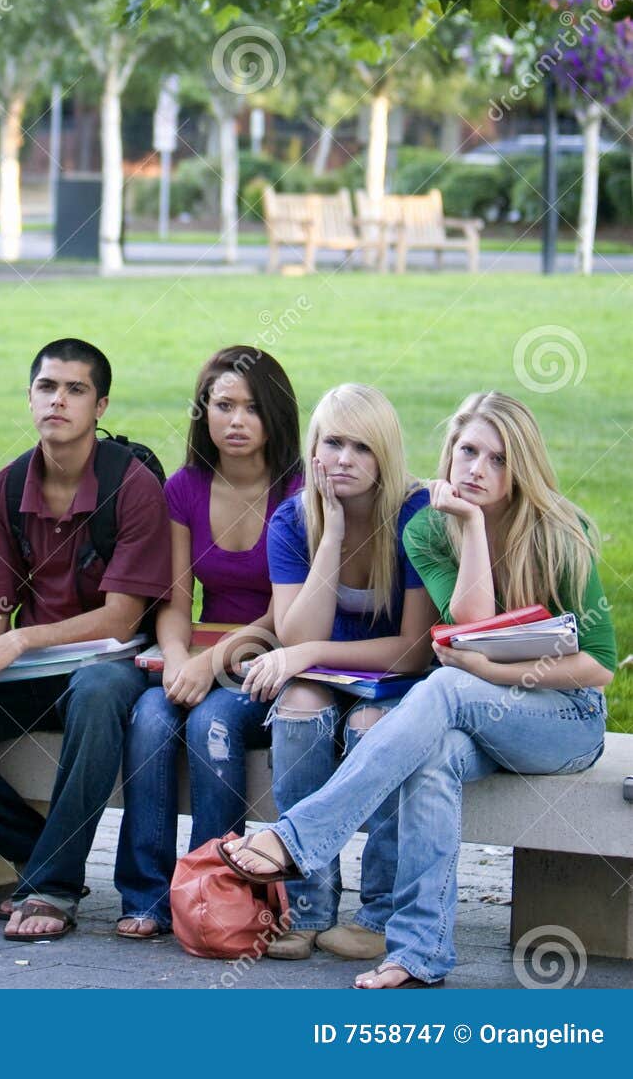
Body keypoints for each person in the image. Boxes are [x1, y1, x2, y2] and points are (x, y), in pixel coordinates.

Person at [222, 391, 615, 988]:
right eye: (468, 452)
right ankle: (418, 952)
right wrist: (472, 526)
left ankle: (297, 837)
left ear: (522, 467)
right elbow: (473, 623)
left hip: (565, 717)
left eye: (498, 459)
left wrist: (494, 674)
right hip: (482, 711)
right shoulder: (432, 529)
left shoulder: (562, 531)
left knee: (448, 685)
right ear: (449, 453)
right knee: (433, 758)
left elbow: (599, 666)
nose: (478, 469)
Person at [0, 337, 171, 941]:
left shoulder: (133, 485)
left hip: (114, 666)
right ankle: (40, 853)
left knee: (96, 692)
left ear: (100, 406)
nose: (58, 400)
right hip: (38, 672)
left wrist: (17, 641)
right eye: (47, 387)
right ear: (30, 397)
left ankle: (53, 887)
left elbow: (121, 620)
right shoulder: (9, 486)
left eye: (75, 390)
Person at [234, 383, 434, 960]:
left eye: (362, 447)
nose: (344, 459)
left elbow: (411, 652)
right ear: (313, 449)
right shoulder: (292, 521)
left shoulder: (416, 517)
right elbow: (299, 636)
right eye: (332, 443)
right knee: (298, 708)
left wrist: (304, 655)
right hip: (324, 676)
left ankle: (380, 911)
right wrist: (334, 535)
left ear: (385, 454)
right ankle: (307, 906)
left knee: (377, 726)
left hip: (394, 680)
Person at [113, 345, 303, 939]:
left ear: (276, 414)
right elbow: (176, 602)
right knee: (149, 717)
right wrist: (176, 660)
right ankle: (145, 896)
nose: (236, 420)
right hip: (200, 654)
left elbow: (283, 617)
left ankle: (211, 892)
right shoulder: (184, 488)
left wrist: (210, 664)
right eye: (223, 405)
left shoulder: (298, 491)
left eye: (252, 407)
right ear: (204, 412)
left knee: (210, 723)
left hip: (271, 660)